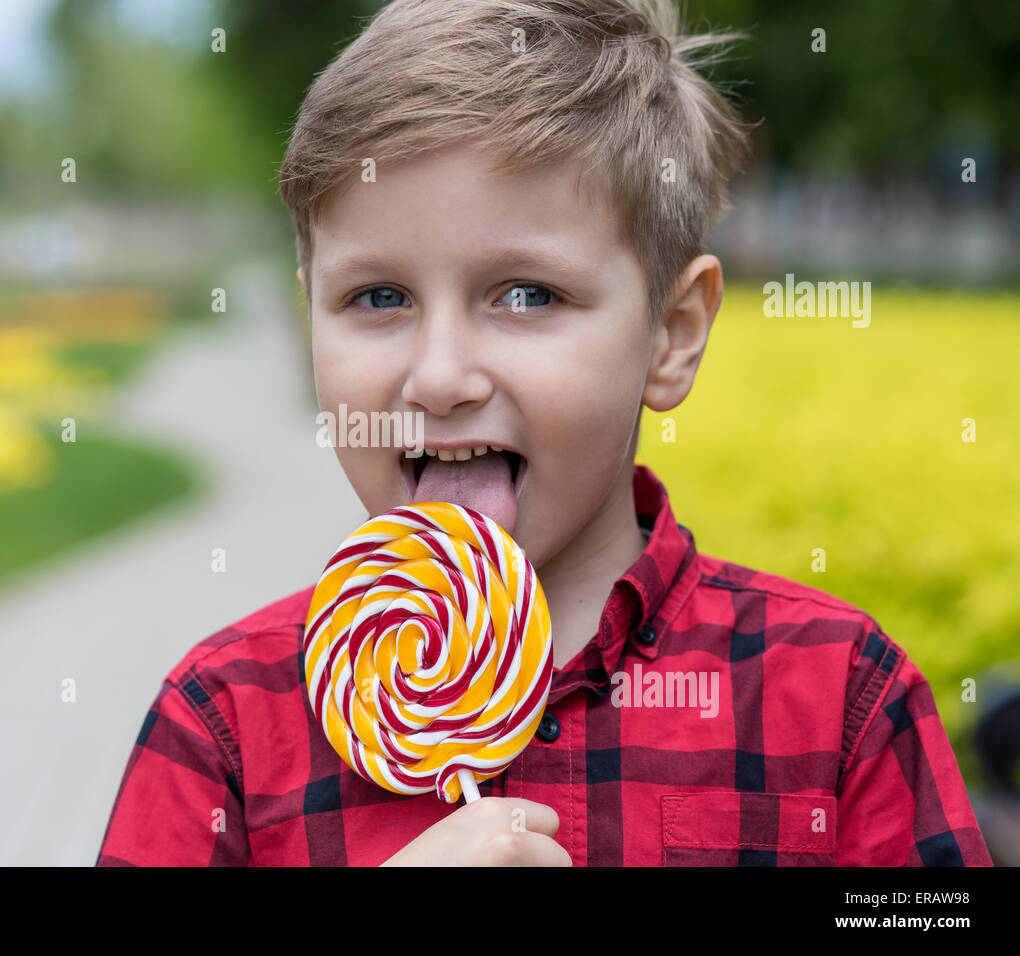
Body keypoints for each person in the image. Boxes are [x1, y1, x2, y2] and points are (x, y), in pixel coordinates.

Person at [96, 0, 992, 866]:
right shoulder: (223, 726)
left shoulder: (837, 701)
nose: (441, 376)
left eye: (527, 294)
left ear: (671, 336)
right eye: (379, 297)